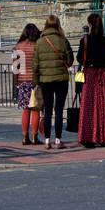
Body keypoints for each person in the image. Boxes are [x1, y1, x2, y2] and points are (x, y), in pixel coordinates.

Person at [77, 12, 105, 147]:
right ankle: (104, 137)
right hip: (103, 75)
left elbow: (79, 58)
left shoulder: (85, 41)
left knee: (89, 107)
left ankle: (89, 138)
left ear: (90, 25)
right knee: (103, 106)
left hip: (90, 74)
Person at [32, 14, 73, 149]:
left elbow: (36, 64)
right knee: (59, 110)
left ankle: (47, 140)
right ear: (58, 25)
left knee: (48, 110)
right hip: (61, 79)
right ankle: (58, 140)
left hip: (45, 80)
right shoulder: (63, 40)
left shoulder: (39, 42)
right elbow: (70, 60)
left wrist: (36, 81)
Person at [12, 23, 42, 145]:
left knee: (25, 109)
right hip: (36, 81)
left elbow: (15, 68)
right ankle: (35, 137)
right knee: (35, 109)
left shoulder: (18, 47)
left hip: (22, 81)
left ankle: (25, 137)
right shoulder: (38, 46)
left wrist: (15, 83)